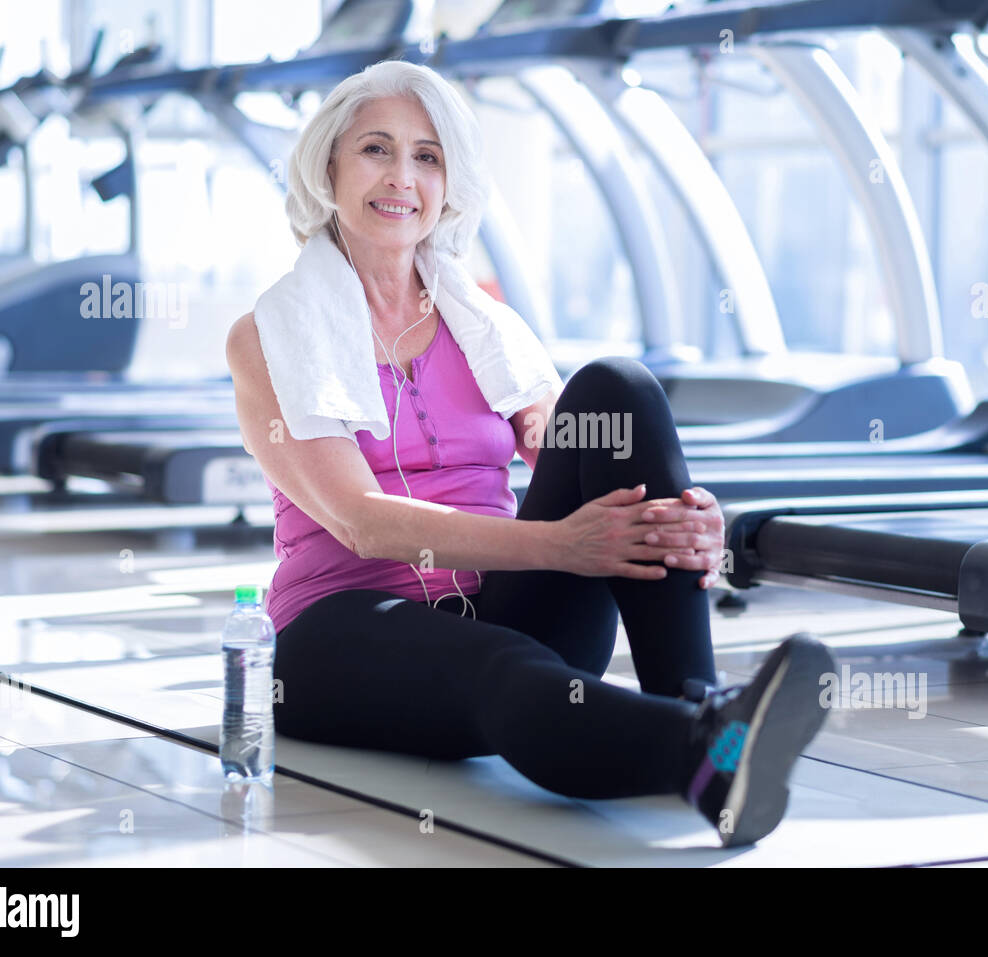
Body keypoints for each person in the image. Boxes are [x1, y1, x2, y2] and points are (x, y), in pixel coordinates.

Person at [224, 59, 833, 847]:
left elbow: (567, 445)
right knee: (501, 667)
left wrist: (681, 519)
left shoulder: (486, 326)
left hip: (502, 597)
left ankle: (698, 700)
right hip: (339, 633)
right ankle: (705, 753)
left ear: (449, 184)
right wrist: (563, 544)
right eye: (376, 149)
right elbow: (362, 522)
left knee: (618, 388)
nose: (401, 176)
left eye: (427, 156)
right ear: (330, 166)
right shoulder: (269, 335)